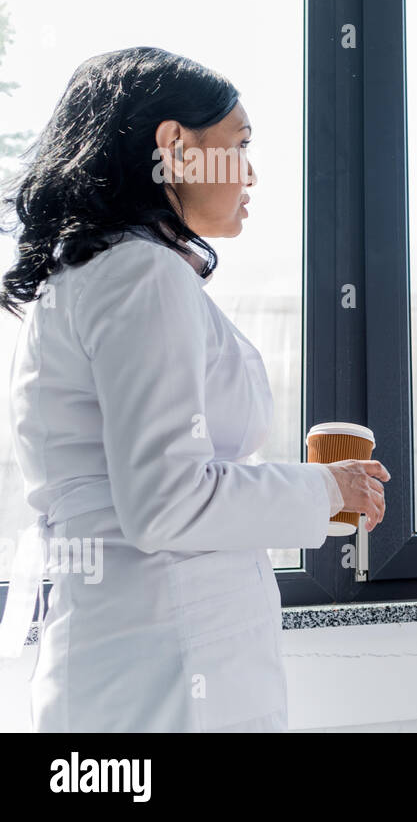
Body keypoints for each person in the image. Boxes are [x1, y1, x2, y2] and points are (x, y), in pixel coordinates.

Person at [0, 47, 389, 731]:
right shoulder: (142, 276)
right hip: (168, 670)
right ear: (175, 148)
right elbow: (166, 502)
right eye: (238, 144)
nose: (252, 173)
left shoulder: (92, 273)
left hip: (130, 650)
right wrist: (329, 489)